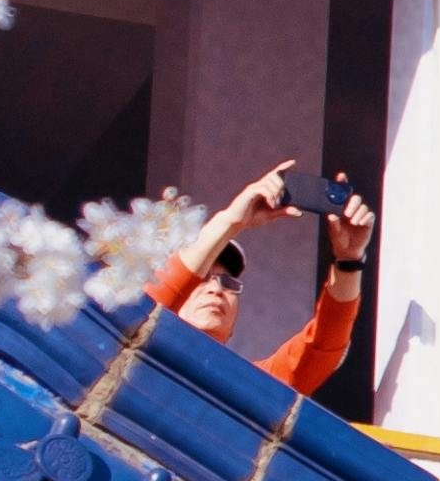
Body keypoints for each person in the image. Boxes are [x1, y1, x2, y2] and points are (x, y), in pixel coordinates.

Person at [150, 160, 373, 397]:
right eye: (203, 278)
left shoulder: (247, 388)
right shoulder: (130, 352)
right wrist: (232, 221)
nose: (215, 290)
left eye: (228, 282)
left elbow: (322, 348)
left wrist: (349, 260)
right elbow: (148, 307)